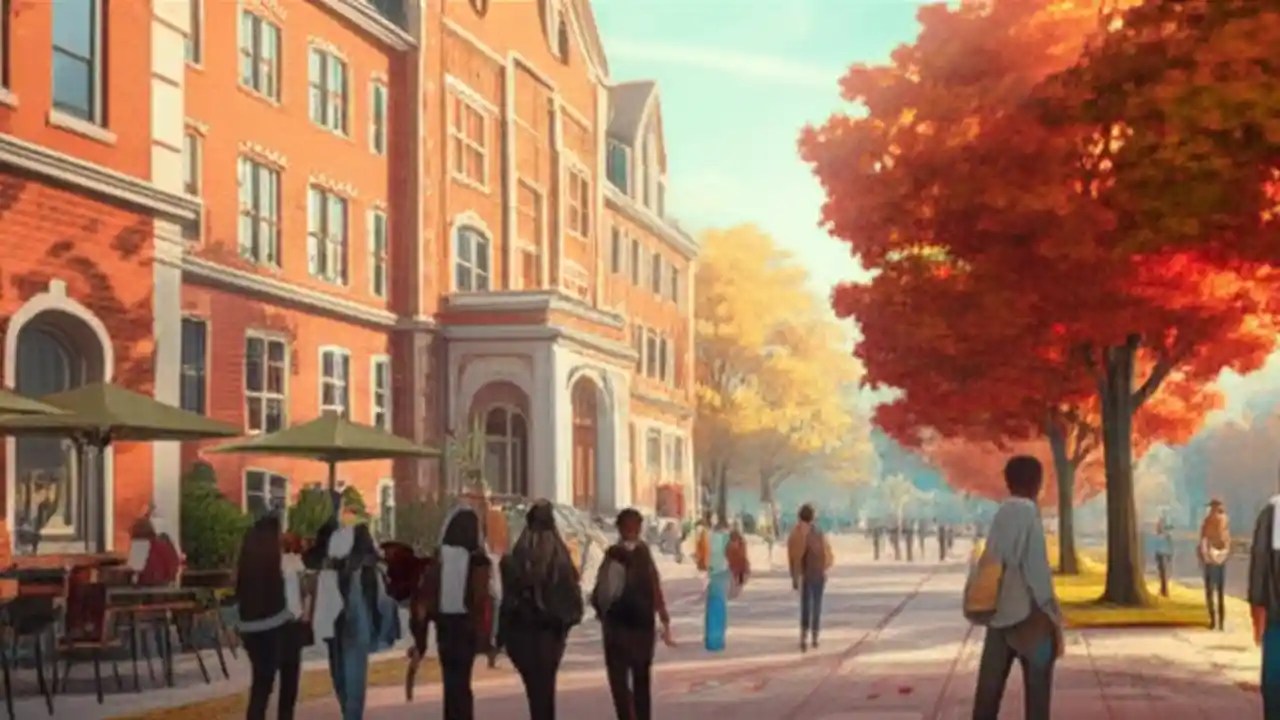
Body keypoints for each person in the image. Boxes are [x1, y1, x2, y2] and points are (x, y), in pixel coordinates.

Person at [969, 456, 1062, 720]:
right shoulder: (1029, 512)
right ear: (1037, 482)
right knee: (1038, 691)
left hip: (999, 611)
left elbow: (993, 558)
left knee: (989, 689)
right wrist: (1050, 608)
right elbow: (1035, 567)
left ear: (1008, 482)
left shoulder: (1002, 512)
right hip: (1030, 615)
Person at [409, 505, 496, 720]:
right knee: (463, 681)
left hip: (445, 627)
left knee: (450, 680)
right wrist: (487, 638)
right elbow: (483, 599)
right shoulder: (479, 562)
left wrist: (420, 639)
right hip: (467, 627)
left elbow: (424, 598)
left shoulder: (439, 560)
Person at [499, 500, 583, 720]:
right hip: (546, 630)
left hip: (536, 630)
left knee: (538, 686)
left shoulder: (524, 549)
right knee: (544, 684)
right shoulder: (557, 551)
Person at [309, 503, 394, 720]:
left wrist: (344, 564)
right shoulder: (327, 532)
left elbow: (367, 557)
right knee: (337, 669)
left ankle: (352, 715)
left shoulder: (361, 533)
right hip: (330, 607)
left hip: (355, 606)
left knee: (353, 667)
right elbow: (310, 557)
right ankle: (347, 710)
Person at [592, 509, 675, 720]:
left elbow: (603, 592)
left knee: (619, 681)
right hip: (643, 629)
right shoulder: (644, 553)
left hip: (616, 630)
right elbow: (655, 586)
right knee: (641, 680)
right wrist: (663, 617)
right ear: (639, 529)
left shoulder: (612, 555)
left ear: (619, 529)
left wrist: (600, 610)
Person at [235, 514, 307, 720]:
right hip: (280, 626)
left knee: (261, 685)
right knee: (289, 681)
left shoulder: (247, 562)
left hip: (251, 630)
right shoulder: (281, 563)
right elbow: (291, 599)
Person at [1247, 468, 1280, 715]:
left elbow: (1259, 568)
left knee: (1274, 685)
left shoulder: (1271, 512)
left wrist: (1257, 614)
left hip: (1276, 616)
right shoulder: (1271, 513)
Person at [787, 504, 834, 652]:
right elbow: (827, 553)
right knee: (817, 605)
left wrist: (794, 577)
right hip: (818, 573)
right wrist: (825, 568)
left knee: (805, 606)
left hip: (805, 574)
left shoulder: (795, 533)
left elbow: (793, 558)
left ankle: (803, 637)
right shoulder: (818, 531)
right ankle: (815, 636)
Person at [697, 516, 733, 651]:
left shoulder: (706, 536)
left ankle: (711, 639)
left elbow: (701, 556)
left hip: (712, 573)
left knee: (712, 607)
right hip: (722, 573)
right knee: (720, 607)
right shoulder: (726, 538)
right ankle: (718, 640)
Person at [1200, 499, 1231, 630]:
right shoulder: (1224, 521)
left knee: (1210, 591)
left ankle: (1213, 620)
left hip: (1210, 559)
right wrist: (1223, 555)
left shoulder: (1208, 521)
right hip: (1220, 559)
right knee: (1220, 592)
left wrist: (1205, 556)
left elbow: (1203, 540)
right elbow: (1228, 542)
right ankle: (1221, 623)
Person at [1154, 514, 1174, 598]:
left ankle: (1165, 590)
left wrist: (1170, 554)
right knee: (1161, 573)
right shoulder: (1160, 534)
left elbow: (1169, 544)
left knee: (1164, 573)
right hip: (1160, 553)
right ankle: (1163, 589)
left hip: (1164, 554)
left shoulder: (1166, 534)